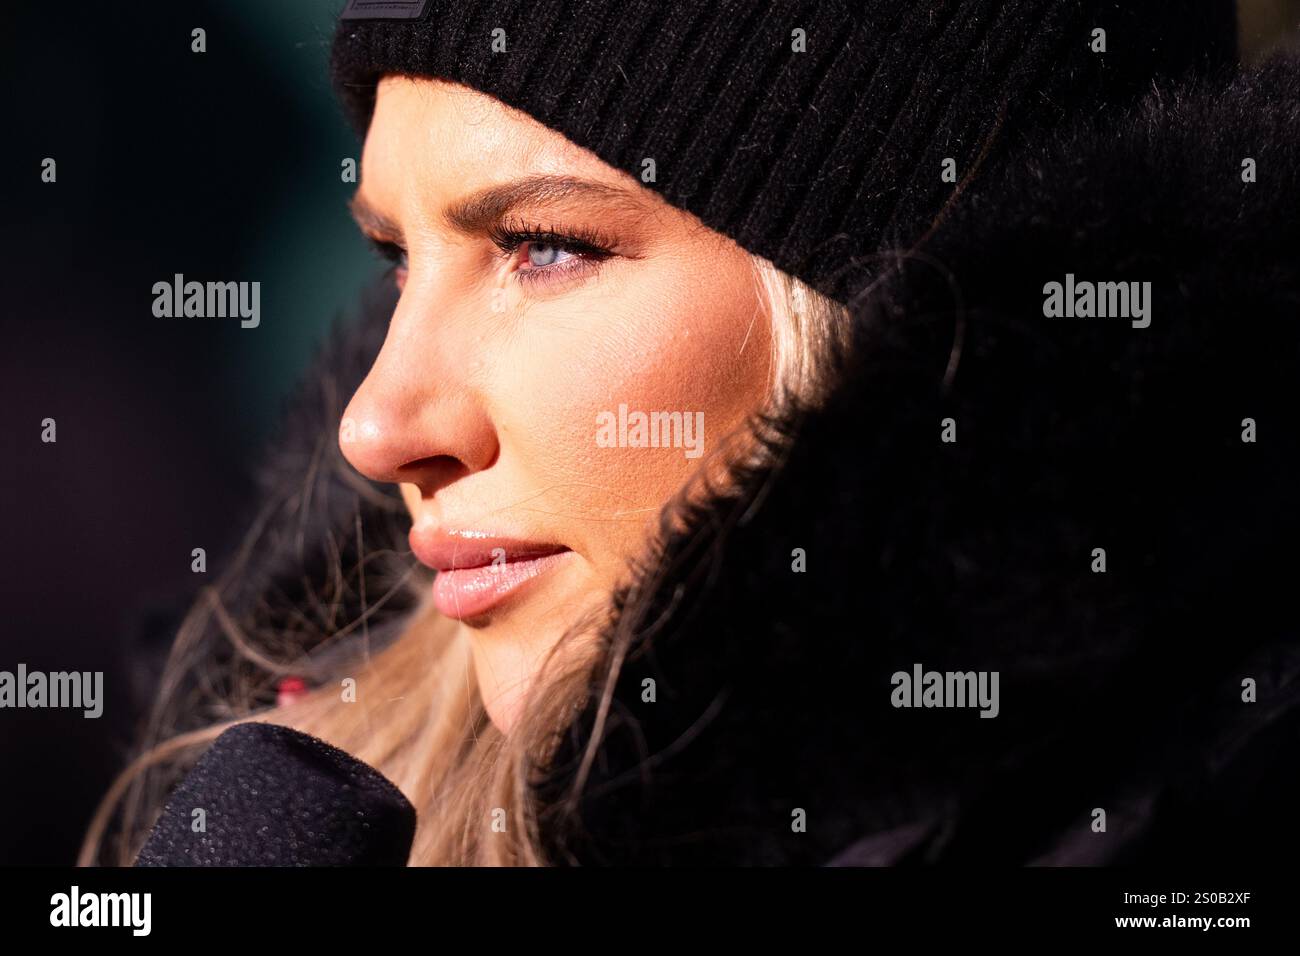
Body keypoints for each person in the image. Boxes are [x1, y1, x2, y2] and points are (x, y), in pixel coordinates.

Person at [84, 0, 1300, 866]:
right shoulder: (302, 786)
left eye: (542, 248)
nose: (377, 426)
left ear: (884, 317)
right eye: (397, 256)